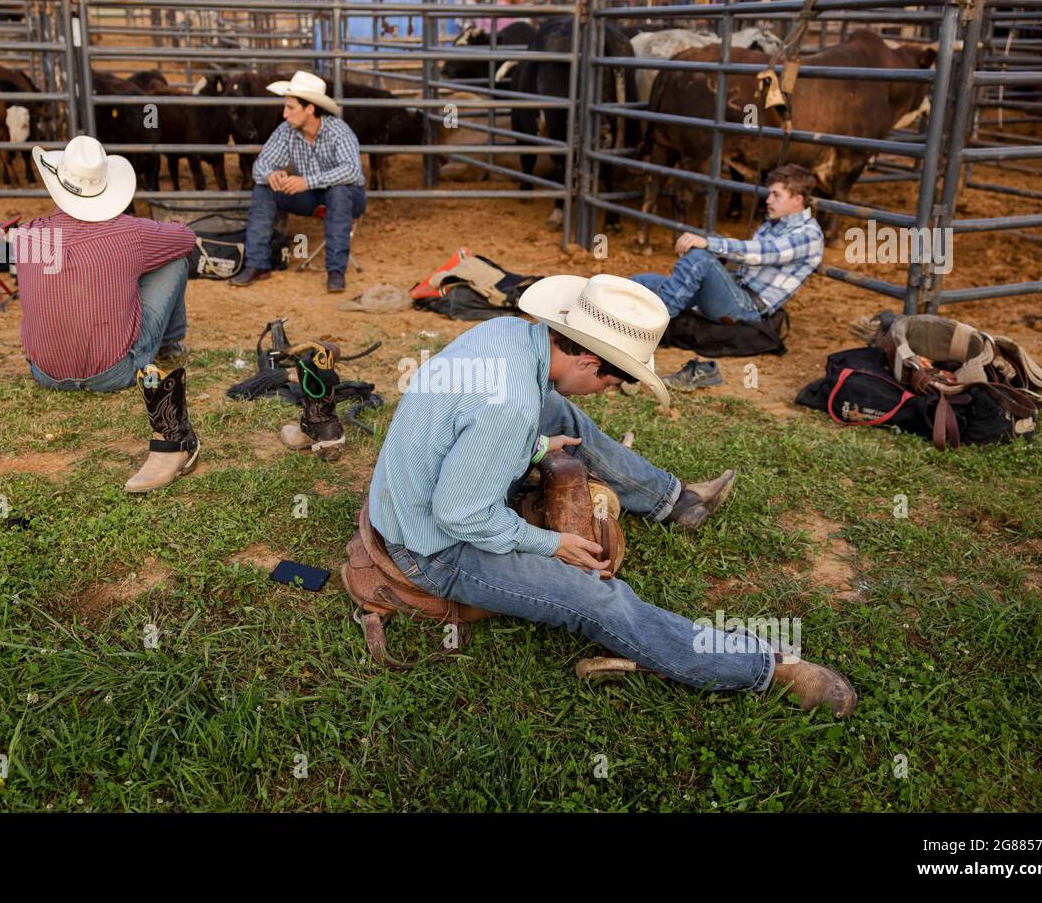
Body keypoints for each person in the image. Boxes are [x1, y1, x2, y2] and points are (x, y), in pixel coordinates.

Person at [366, 273, 857, 716]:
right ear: (586, 358)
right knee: (594, 598)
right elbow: (459, 514)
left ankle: (673, 500)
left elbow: (467, 421)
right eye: (613, 378)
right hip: (431, 548)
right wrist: (551, 544)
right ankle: (764, 667)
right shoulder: (511, 404)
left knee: (558, 413)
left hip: (415, 495)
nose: (608, 390)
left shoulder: (509, 335)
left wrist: (532, 445)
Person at [13, 135, 199, 493]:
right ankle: (172, 343)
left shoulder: (28, 236)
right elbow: (185, 240)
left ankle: (158, 343)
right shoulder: (131, 232)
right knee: (173, 259)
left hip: (45, 372)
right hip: (114, 372)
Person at [230, 71, 366, 294]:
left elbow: (351, 171)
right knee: (264, 188)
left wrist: (308, 181)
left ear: (310, 109)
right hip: (310, 196)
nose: (285, 114)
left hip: (350, 196)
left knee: (340, 192)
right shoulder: (287, 131)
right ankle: (257, 263)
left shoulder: (339, 131)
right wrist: (271, 175)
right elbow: (261, 165)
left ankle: (335, 271)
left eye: (291, 108)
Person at [633, 163, 824, 322]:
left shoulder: (809, 235)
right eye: (769, 194)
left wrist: (708, 244)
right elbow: (744, 257)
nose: (768, 200)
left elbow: (759, 252)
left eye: (776, 195)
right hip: (732, 290)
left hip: (747, 308)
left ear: (797, 200)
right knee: (642, 282)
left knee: (700, 257)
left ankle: (658, 322)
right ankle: (613, 320)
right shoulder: (773, 224)